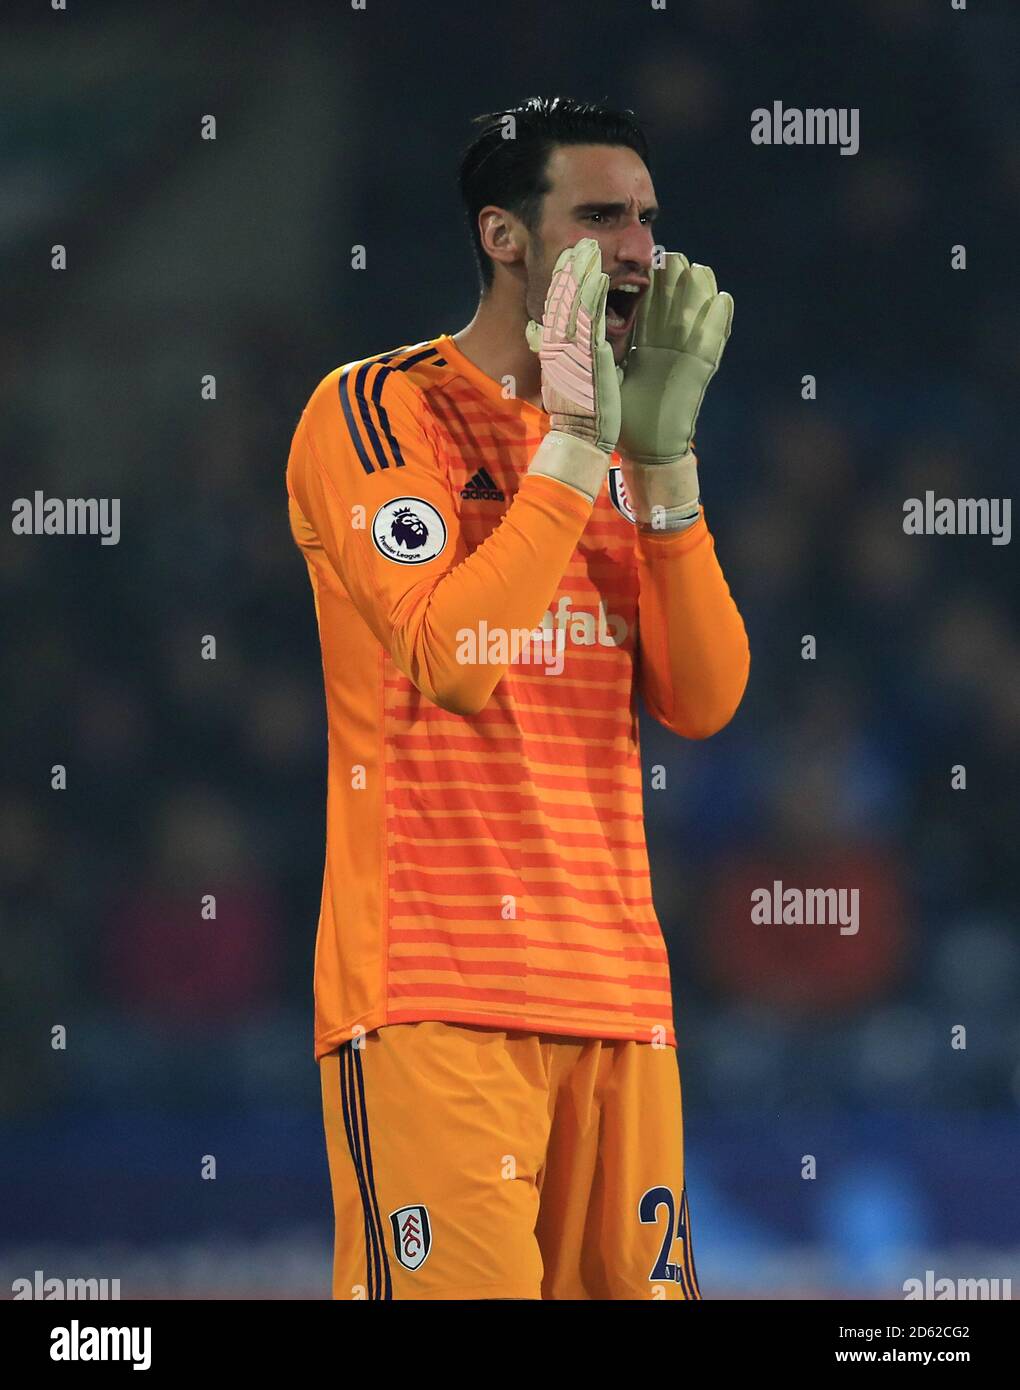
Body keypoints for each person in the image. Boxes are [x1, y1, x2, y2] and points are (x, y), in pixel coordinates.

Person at [286, 95, 749, 1301]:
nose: (641, 247)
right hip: (437, 998)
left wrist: (661, 467)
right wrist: (573, 446)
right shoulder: (377, 411)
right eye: (601, 216)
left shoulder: (612, 448)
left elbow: (702, 700)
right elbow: (454, 653)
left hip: (620, 997)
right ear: (506, 236)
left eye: (648, 216)